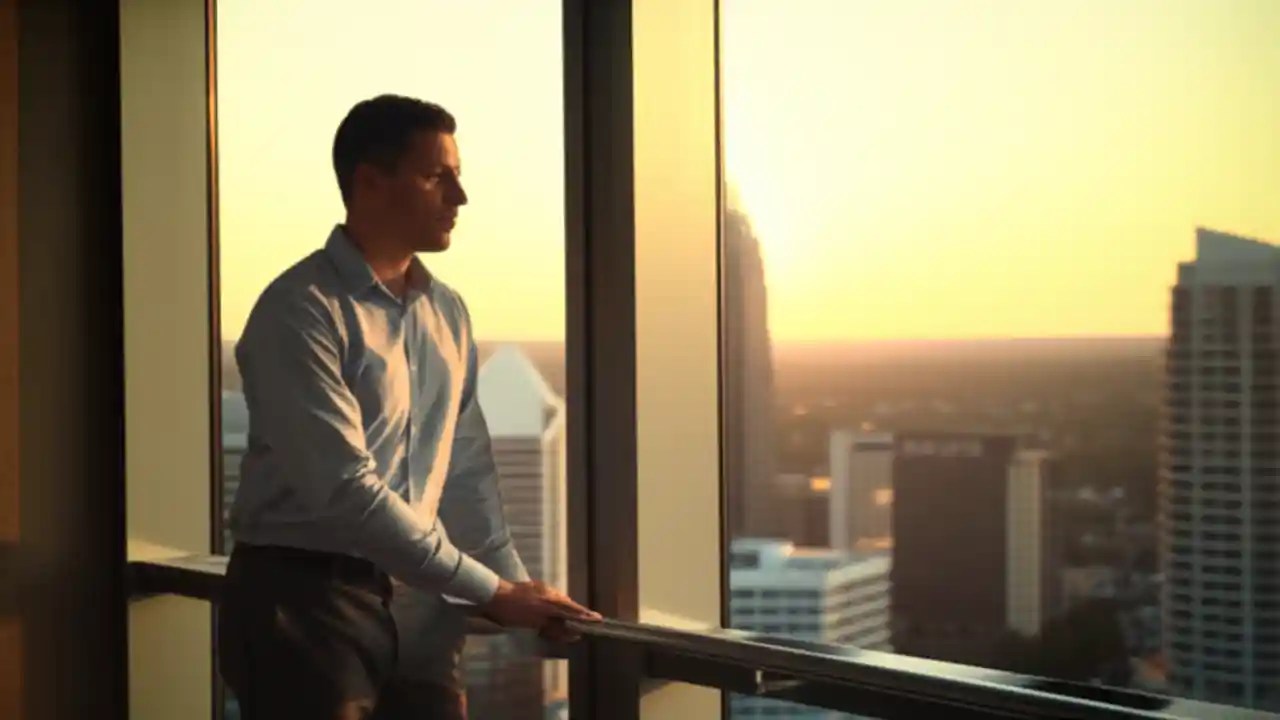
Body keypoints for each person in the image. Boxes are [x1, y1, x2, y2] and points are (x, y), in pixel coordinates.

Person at [218, 94, 600, 719]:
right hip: (307, 603)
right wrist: (492, 592)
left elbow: (466, 473)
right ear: (370, 182)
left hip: (425, 602)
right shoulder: (300, 310)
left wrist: (519, 593)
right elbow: (345, 490)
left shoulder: (446, 311)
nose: (460, 197)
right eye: (435, 176)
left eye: (457, 176)